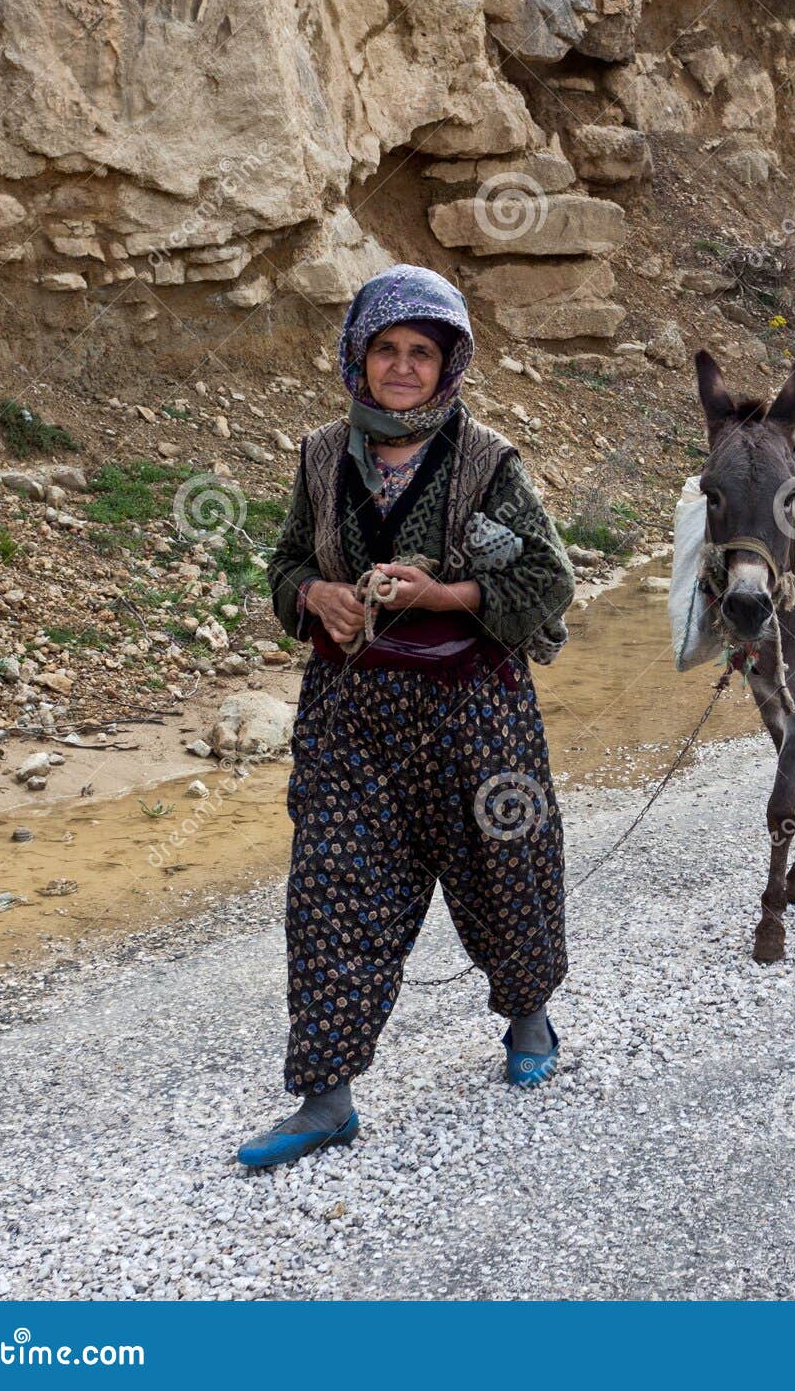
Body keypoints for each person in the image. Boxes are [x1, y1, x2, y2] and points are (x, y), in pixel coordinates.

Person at [239, 264, 576, 1169]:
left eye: (419, 353)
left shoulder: (488, 461)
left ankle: (529, 1016)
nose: (400, 367)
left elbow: (548, 580)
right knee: (331, 892)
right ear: (357, 356)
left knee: (507, 868)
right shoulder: (318, 455)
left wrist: (443, 591)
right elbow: (278, 567)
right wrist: (314, 596)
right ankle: (326, 1098)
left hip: (475, 712)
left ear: (447, 363)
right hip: (349, 716)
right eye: (384, 349)